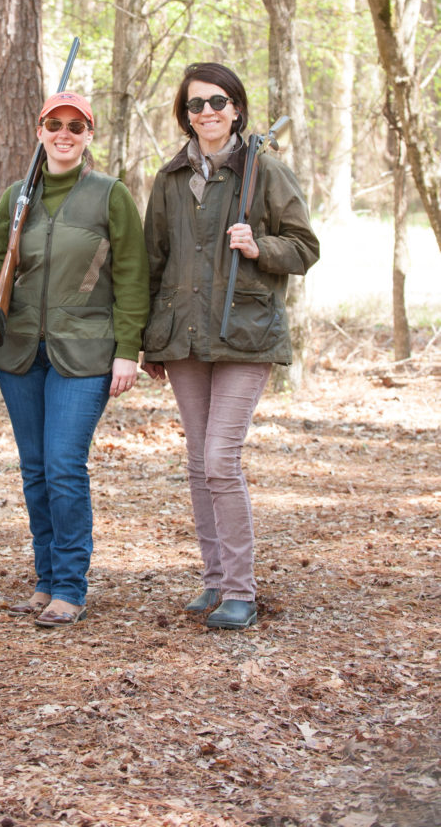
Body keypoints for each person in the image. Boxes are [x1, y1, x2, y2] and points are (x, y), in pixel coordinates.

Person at [142, 62, 319, 630]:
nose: (207, 112)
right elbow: (153, 262)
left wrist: (259, 245)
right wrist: (150, 341)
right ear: (185, 115)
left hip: (244, 335)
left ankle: (241, 589)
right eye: (195, 104)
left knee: (222, 457)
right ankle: (214, 581)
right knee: (199, 462)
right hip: (185, 337)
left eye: (218, 101)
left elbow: (305, 247)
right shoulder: (170, 179)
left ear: (236, 108)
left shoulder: (265, 171)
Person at [0, 91, 149, 629]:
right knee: (34, 470)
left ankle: (71, 586)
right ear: (40, 129)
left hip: (85, 352)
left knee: (64, 467)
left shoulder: (109, 195)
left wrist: (127, 351)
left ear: (89, 135)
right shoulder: (15, 198)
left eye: (77, 125)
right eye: (55, 123)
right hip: (21, 349)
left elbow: (132, 277)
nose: (65, 133)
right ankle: (46, 579)